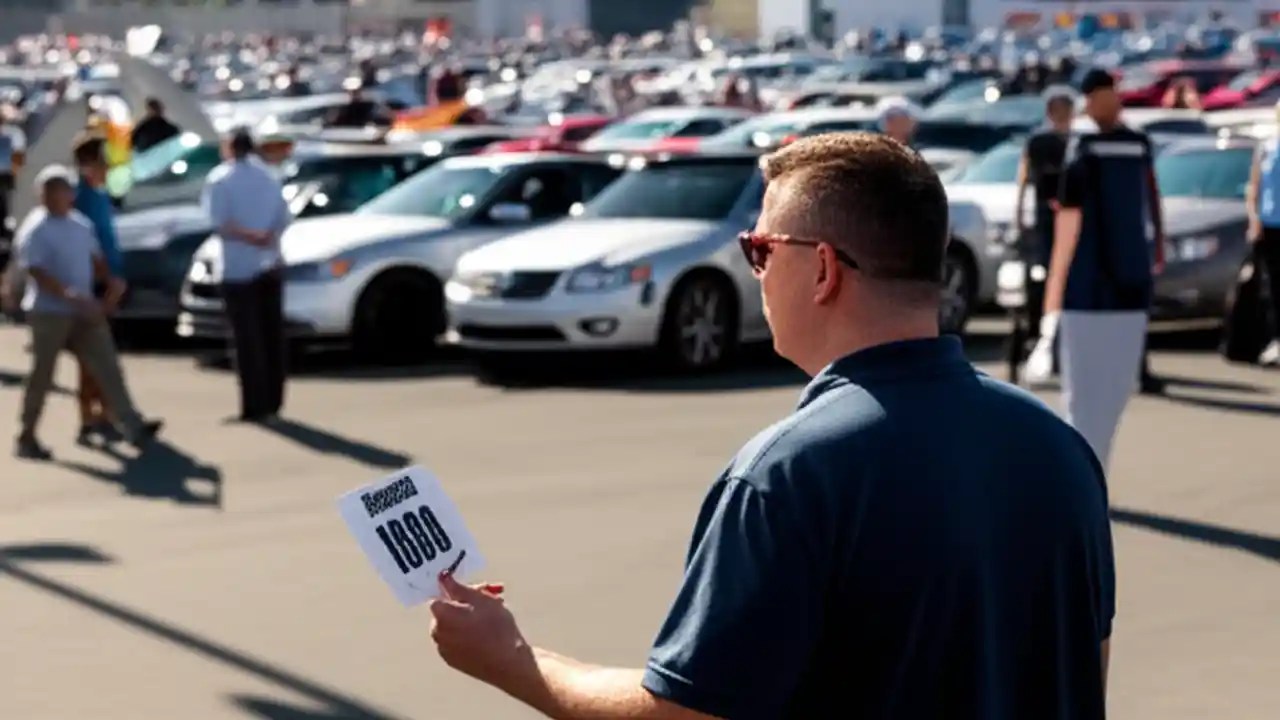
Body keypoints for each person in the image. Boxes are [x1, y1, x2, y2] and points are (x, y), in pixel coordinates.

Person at [426, 134, 1115, 718]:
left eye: (760, 250)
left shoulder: (790, 473)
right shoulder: (1060, 448)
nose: (755, 271)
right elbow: (1088, 674)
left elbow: (690, 712)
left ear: (821, 269)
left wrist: (514, 660)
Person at [1044, 69, 1164, 469]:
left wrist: (1154, 257)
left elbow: (1151, 204)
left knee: (1113, 394)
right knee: (1082, 396)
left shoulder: (1138, 144)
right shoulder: (1081, 148)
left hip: (1129, 288)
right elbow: (1067, 222)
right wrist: (1056, 293)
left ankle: (1093, 472)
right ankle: (1081, 476)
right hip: (1085, 292)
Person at [14, 165, 162, 460]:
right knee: (42, 375)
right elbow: (36, 269)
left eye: (63, 191)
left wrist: (111, 281)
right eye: (52, 192)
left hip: (84, 311)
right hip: (50, 312)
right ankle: (27, 435)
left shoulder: (80, 225)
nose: (60, 197)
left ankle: (131, 424)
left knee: (107, 365)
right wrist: (67, 294)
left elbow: (95, 258)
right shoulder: (36, 228)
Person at [202, 129, 290, 422]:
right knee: (271, 336)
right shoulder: (269, 176)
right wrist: (266, 238)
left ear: (230, 147)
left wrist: (250, 236)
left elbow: (220, 222)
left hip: (239, 268)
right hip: (270, 263)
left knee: (246, 339)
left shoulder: (220, 179)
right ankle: (274, 401)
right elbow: (284, 218)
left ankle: (254, 404)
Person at [71, 133, 125, 444]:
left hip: (109, 280)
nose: (106, 166)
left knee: (102, 354)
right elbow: (87, 247)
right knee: (91, 355)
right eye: (102, 160)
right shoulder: (82, 197)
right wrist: (107, 280)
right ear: (89, 163)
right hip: (95, 283)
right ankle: (91, 416)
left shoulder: (98, 194)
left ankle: (103, 413)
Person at [1243, 98, 1280, 367]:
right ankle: (1276, 339)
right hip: (1270, 226)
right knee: (1273, 287)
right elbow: (1254, 185)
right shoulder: (1267, 147)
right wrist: (1253, 219)